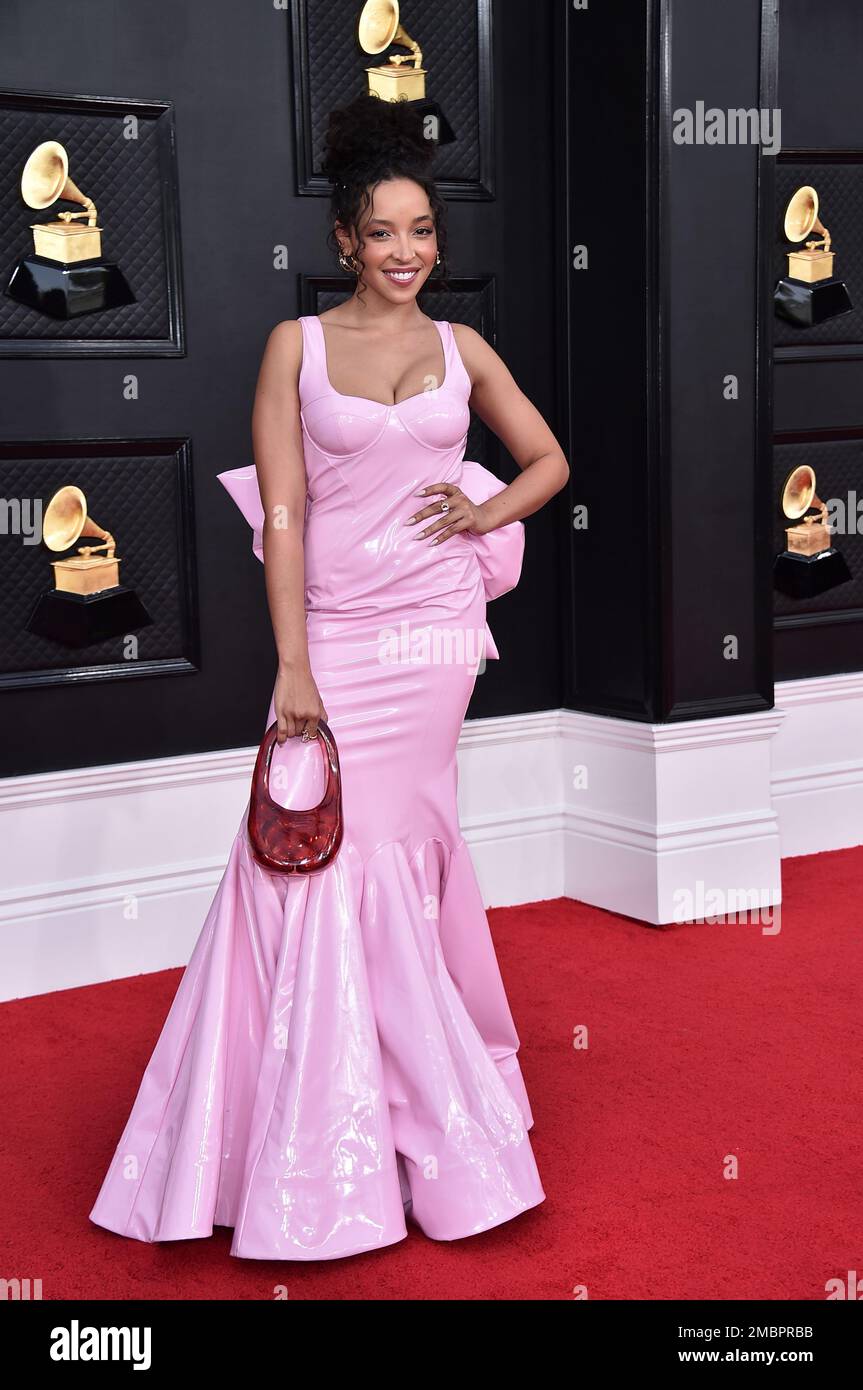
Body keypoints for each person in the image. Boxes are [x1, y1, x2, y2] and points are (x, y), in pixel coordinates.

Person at [89, 93, 570, 1262]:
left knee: (396, 851)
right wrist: (293, 663)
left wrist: (482, 507)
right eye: (384, 232)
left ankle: (419, 1132)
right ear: (344, 241)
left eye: (422, 232)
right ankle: (299, 1144)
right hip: (337, 640)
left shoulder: (464, 350)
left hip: (435, 636)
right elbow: (288, 516)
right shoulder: (293, 351)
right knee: (304, 861)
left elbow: (550, 458)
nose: (407, 252)